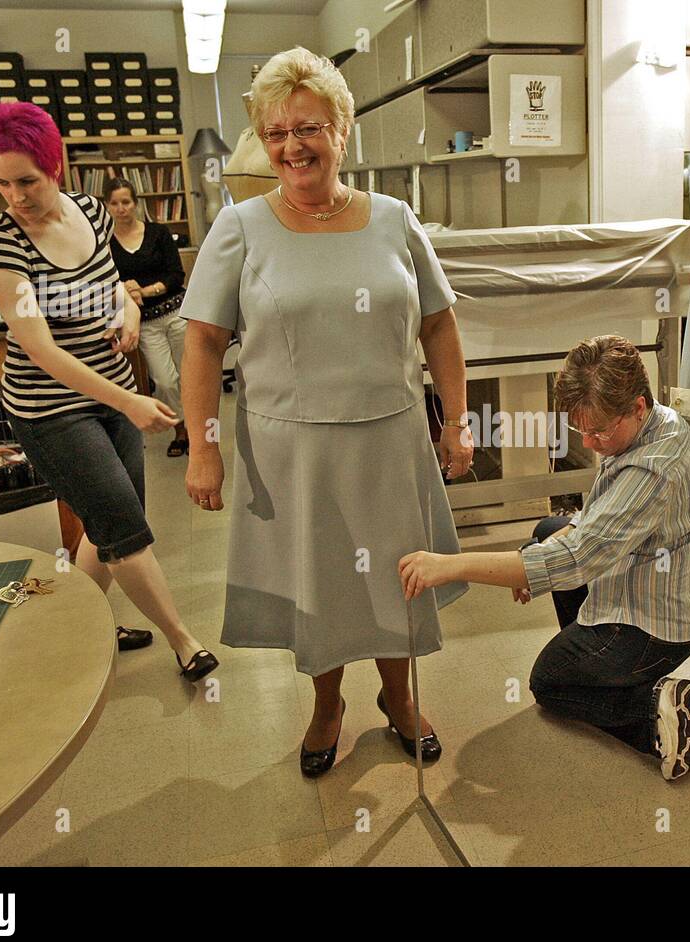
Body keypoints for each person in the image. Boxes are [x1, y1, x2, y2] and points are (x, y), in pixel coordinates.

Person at [179, 46, 473, 777]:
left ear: (342, 131)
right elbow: (204, 342)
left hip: (391, 437)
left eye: (307, 128)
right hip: (292, 448)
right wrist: (202, 445)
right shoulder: (241, 227)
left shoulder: (395, 219)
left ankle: (399, 698)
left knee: (395, 578)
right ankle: (327, 706)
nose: (291, 146)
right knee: (321, 587)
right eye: (276, 132)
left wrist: (457, 421)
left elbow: (439, 326)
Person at [400, 336, 690, 780]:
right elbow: (587, 525)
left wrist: (450, 564)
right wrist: (534, 561)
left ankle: (651, 713)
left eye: (599, 431)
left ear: (638, 407)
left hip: (660, 626)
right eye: (580, 430)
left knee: (550, 684)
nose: (590, 442)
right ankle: (600, 660)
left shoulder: (654, 471)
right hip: (666, 587)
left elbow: (574, 559)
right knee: (545, 533)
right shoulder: (655, 424)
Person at [0, 101, 218, 682]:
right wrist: (128, 399)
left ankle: (73, 623)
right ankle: (183, 641)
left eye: (27, 181)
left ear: (53, 166)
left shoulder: (89, 210)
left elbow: (110, 282)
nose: (15, 196)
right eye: (0, 183)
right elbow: (40, 350)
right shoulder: (3, 247)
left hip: (108, 394)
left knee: (107, 527)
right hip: (51, 410)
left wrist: (127, 309)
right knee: (125, 530)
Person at [103, 177, 190, 457]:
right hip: (146, 322)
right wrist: (127, 291)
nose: (121, 208)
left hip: (176, 313)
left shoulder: (159, 233)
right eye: (114, 203)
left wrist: (145, 290)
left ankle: (197, 430)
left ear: (136, 203)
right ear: (107, 206)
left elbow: (176, 275)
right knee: (164, 380)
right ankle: (181, 427)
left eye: (126, 202)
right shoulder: (106, 245)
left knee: (189, 375)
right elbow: (110, 282)